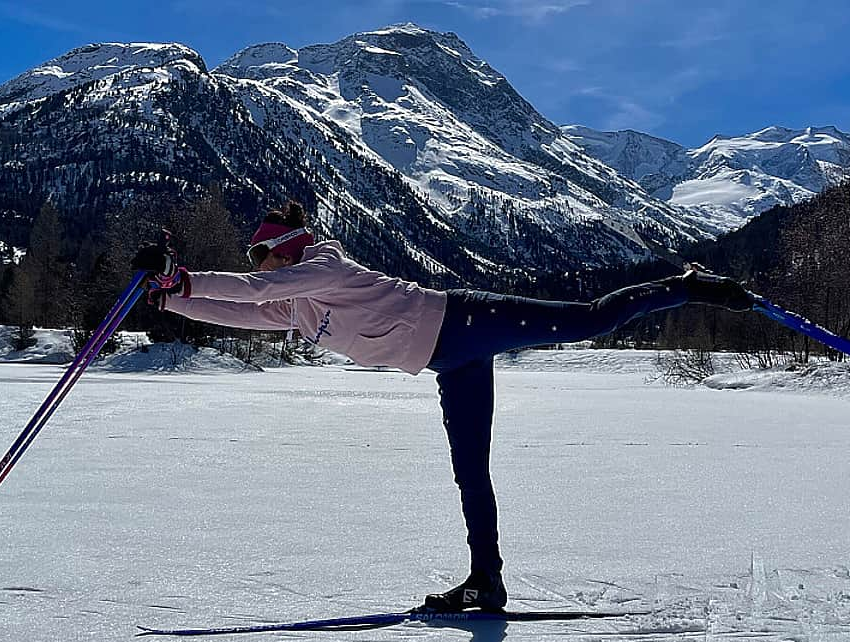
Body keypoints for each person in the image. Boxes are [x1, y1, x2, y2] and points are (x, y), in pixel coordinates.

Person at [132, 201, 756, 612]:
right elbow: (242, 310)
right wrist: (171, 300)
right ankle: (487, 578)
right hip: (446, 361)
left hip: (464, 320)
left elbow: (257, 287)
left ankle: (685, 286)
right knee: (471, 471)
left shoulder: (323, 268)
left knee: (588, 323)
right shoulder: (297, 301)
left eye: (258, 251)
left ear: (286, 248)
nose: (254, 260)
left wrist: (181, 277)